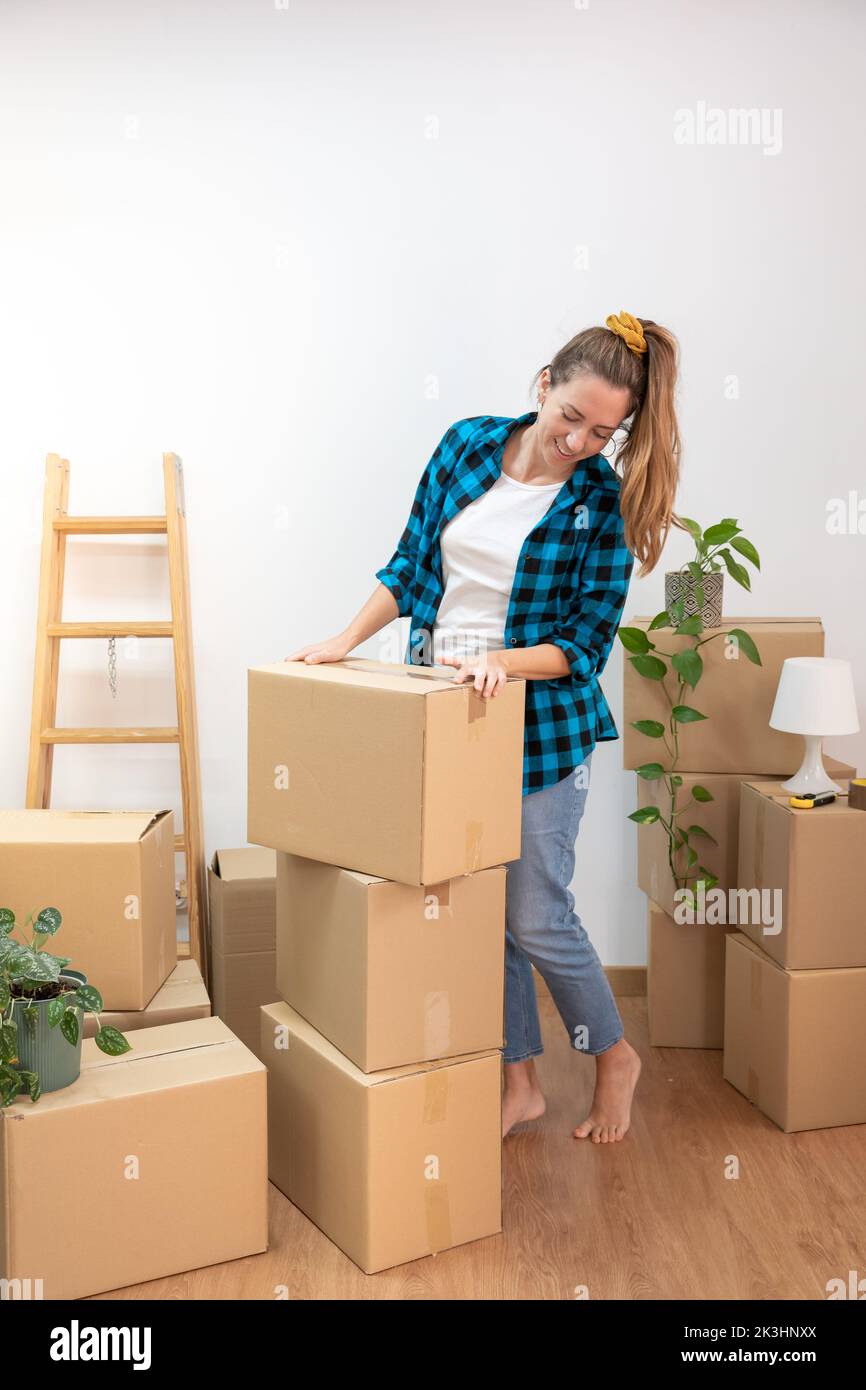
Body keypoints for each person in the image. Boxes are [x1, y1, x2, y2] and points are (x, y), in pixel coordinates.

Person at [286, 310, 683, 1143]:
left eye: (603, 432)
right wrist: (342, 642)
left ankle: (613, 1057)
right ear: (544, 385)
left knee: (534, 913)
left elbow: (584, 642)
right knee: (474, 906)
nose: (579, 441)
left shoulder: (599, 503)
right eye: (571, 416)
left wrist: (506, 658)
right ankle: (522, 1083)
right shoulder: (466, 445)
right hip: (444, 712)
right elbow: (411, 564)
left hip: (539, 733)